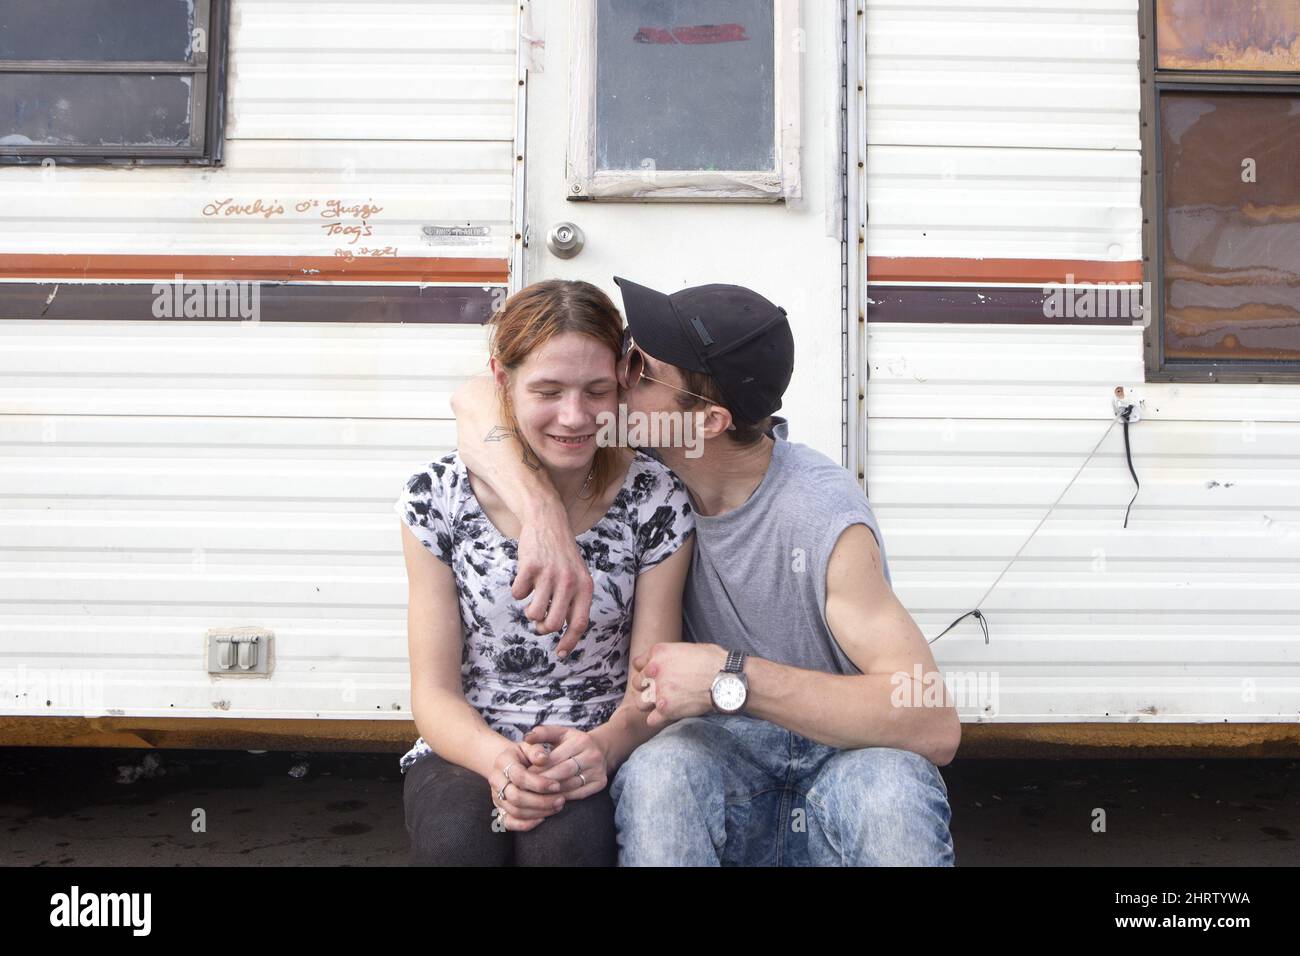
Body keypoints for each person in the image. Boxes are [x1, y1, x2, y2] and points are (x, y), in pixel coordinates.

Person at [449, 276, 959, 866]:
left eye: (638, 366)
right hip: (719, 753)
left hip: (844, 754)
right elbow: (476, 397)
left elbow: (932, 720)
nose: (616, 375)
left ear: (709, 422)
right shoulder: (639, 463)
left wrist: (730, 676)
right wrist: (542, 515)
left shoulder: (819, 515)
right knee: (660, 774)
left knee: (894, 794)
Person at [395, 279, 694, 866]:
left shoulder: (653, 500)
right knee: (457, 841)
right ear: (501, 381)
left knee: (566, 845)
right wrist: (498, 761)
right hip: (468, 744)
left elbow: (651, 681)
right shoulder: (437, 498)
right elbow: (432, 691)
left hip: (599, 742)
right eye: (547, 390)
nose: (574, 416)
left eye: (597, 390)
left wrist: (600, 748)